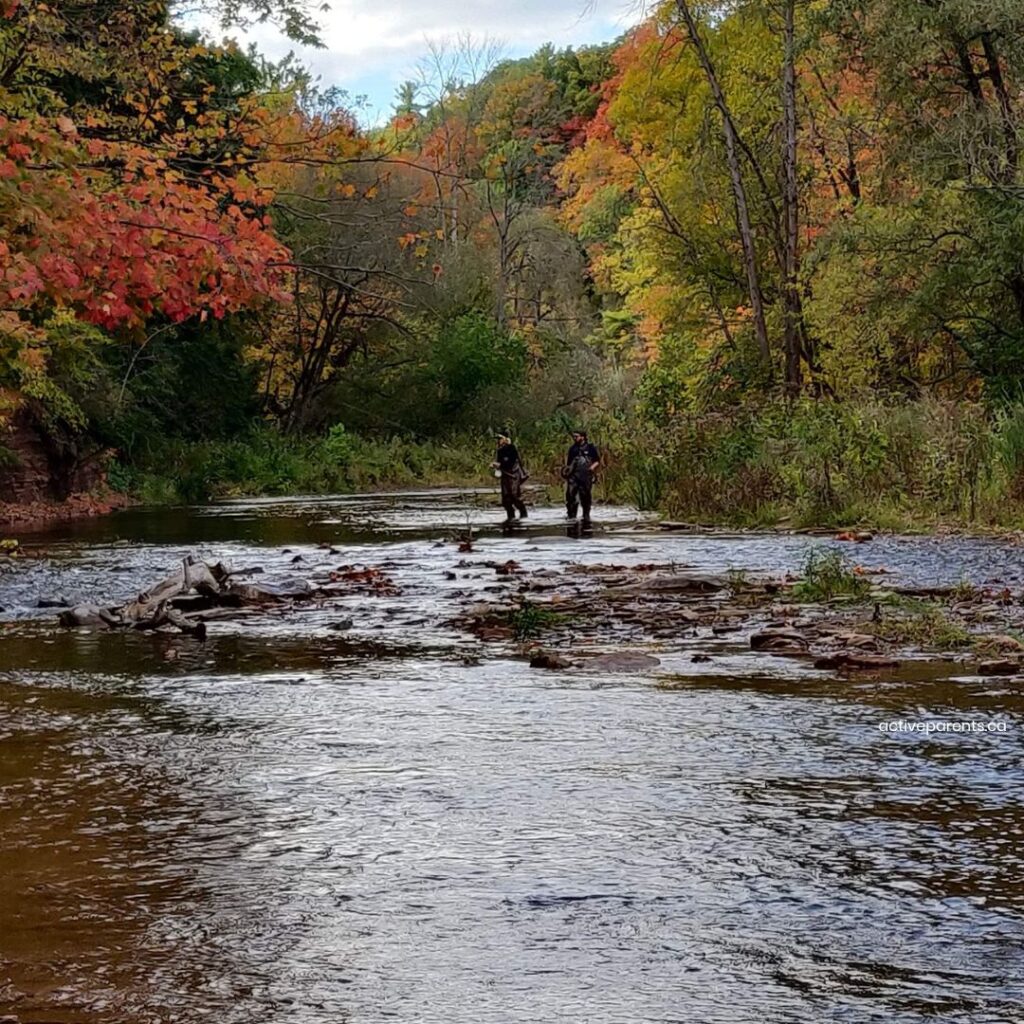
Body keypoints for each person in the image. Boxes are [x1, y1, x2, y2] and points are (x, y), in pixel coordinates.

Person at [564, 429, 600, 527]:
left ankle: (586, 515)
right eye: (574, 436)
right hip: (573, 476)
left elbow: (597, 460)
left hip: (586, 476)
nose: (575, 438)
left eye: (577, 436)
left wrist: (592, 468)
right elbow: (568, 464)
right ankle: (571, 516)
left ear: (583, 437)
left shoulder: (591, 447)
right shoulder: (572, 449)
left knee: (585, 496)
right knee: (571, 496)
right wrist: (567, 473)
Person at [492, 432, 528, 521]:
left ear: (505, 439)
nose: (498, 441)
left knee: (514, 496)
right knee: (506, 499)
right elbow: (501, 462)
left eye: (500, 439)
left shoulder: (512, 448)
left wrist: (499, 465)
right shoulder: (499, 451)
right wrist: (497, 466)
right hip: (505, 476)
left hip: (513, 476)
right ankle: (510, 517)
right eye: (498, 439)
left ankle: (524, 515)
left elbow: (511, 462)